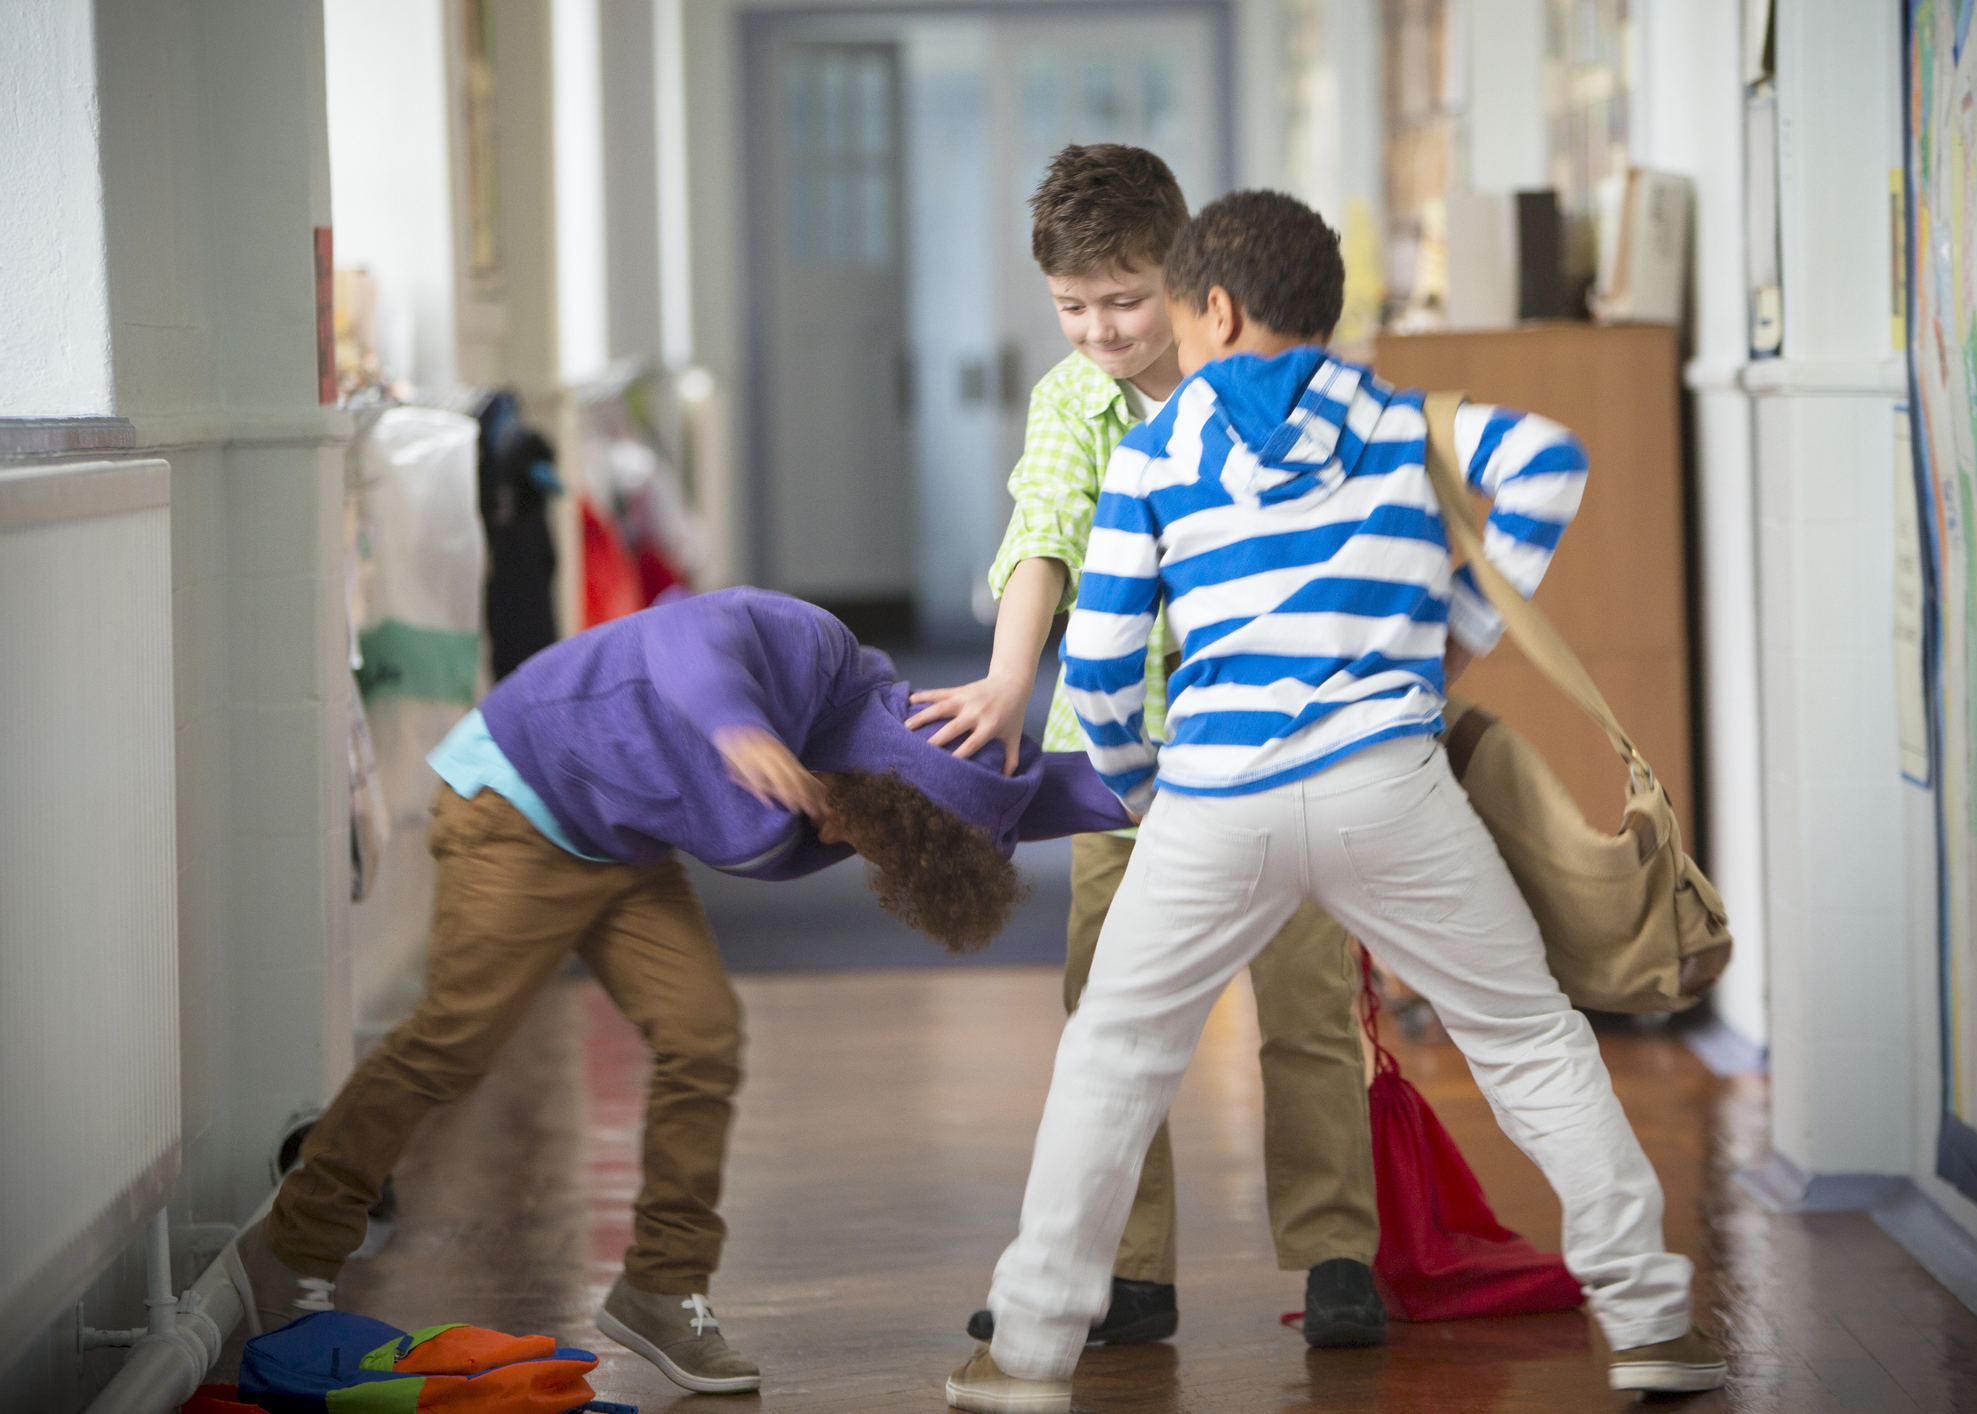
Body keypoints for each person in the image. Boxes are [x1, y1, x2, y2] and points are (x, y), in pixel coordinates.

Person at [945, 192, 1728, 1414]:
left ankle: (1031, 1353)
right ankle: (1653, 1319)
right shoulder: (1398, 418)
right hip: (1391, 789)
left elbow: (1100, 666)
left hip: (1212, 795)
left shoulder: (1160, 449)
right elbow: (1549, 463)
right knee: (1525, 1039)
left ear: (1215, 308)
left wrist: (1149, 789)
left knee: (1115, 1055)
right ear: (1326, 307)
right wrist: (1453, 638)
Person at [227, 587, 1131, 1397]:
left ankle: (661, 1286)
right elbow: (685, 635)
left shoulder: (927, 800)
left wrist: (1189, 781)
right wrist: (736, 725)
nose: (847, 842)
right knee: (455, 1039)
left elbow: (1054, 791)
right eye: (868, 828)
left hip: (620, 846)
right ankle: (291, 1247)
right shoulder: (810, 650)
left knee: (703, 1037)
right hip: (519, 797)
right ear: (890, 781)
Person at [911, 143, 1385, 1350]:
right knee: (1109, 1014)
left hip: (1284, 747)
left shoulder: (1269, 376)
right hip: (1116, 762)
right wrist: (1016, 675)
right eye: (1072, 308)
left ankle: (1337, 1254)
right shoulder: (1070, 401)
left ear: (1185, 281)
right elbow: (1043, 534)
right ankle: (1127, 1272)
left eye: (1124, 301)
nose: (1102, 331)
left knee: (1306, 1003)